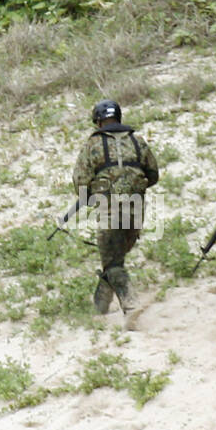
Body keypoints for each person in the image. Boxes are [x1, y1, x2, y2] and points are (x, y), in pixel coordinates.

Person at [72, 99, 160, 329]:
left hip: (110, 210)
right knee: (114, 259)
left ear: (98, 121)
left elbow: (80, 180)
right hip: (136, 210)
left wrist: (91, 196)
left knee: (112, 263)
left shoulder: (93, 144)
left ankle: (130, 307)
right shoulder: (138, 141)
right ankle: (99, 308)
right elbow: (154, 174)